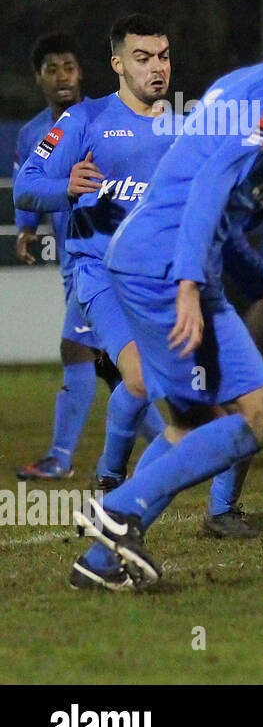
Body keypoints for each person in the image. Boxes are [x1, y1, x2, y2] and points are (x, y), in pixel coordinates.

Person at [69, 0, 263, 590]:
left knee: (193, 423)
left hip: (146, 258)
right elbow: (214, 182)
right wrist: (188, 282)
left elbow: (217, 208)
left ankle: (102, 561)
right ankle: (116, 512)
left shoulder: (236, 85)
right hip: (166, 267)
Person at [11, 33, 112, 480]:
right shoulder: (34, 134)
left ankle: (60, 457)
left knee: (75, 348)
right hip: (73, 260)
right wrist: (27, 229)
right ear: (38, 77)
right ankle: (174, 446)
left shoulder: (100, 120)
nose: (62, 76)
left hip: (104, 256)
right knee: (110, 365)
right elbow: (26, 185)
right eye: (51, 69)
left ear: (81, 72)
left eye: (68, 67)